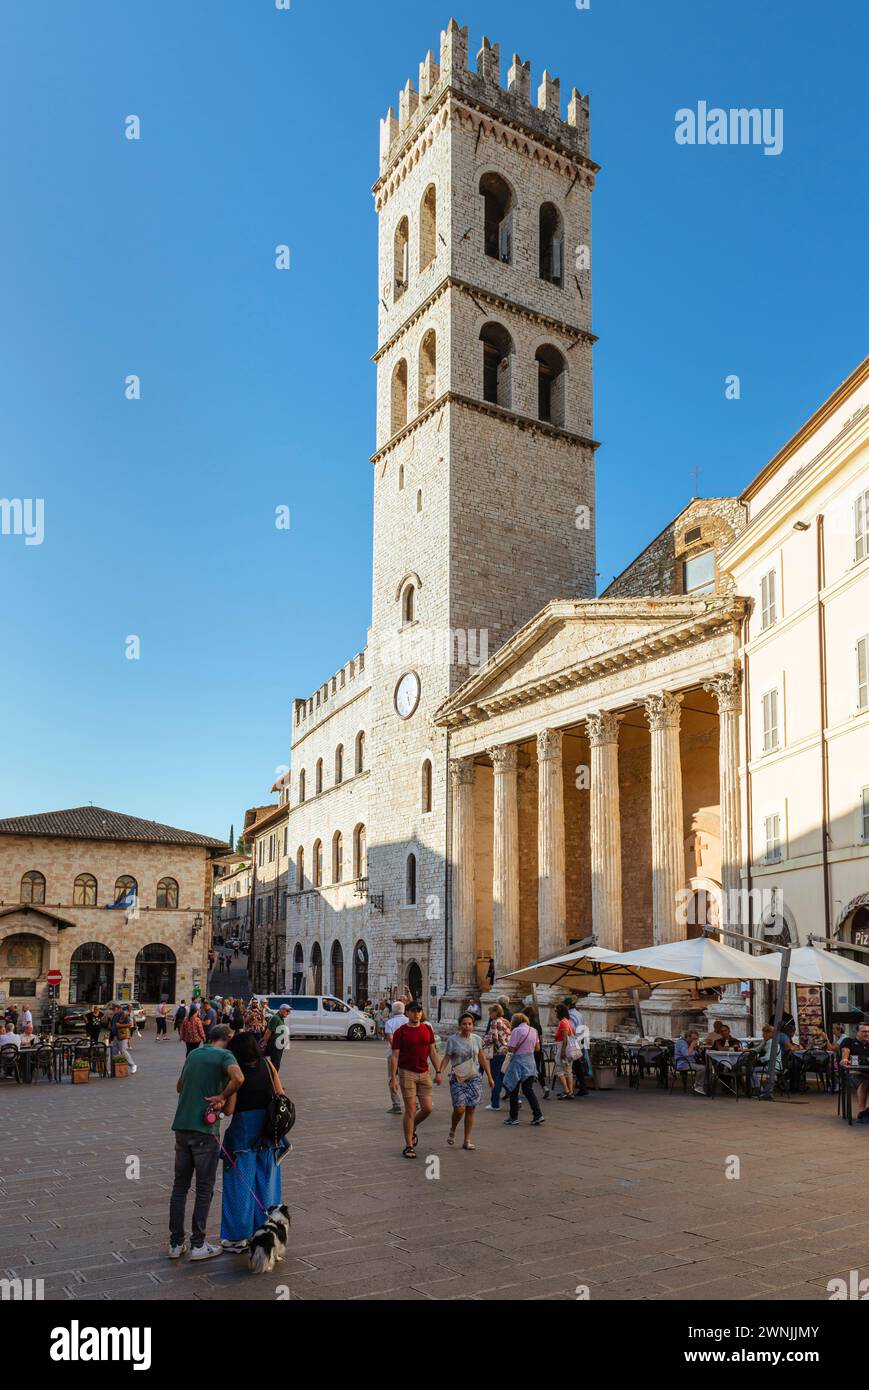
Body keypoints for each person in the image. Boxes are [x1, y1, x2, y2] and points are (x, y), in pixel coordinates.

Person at [169, 1023, 244, 1261]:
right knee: (204, 1187)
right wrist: (221, 1095)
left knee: (180, 1186)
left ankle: (175, 1243)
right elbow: (239, 1078)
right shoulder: (225, 1055)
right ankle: (198, 1244)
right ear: (228, 1038)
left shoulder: (194, 1054)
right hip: (205, 1130)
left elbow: (180, 1086)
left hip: (181, 1126)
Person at [219, 1031, 289, 1251]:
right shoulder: (269, 1066)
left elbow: (229, 1109)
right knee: (267, 1182)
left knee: (240, 1185)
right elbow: (282, 1096)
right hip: (269, 1132)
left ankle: (238, 1236)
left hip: (244, 1132)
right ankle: (265, 1229)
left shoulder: (237, 1073)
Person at [389, 1000, 441, 1158]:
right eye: (413, 1011)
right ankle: (409, 1146)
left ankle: (412, 1127)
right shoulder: (401, 1032)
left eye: (419, 1011)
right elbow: (395, 1055)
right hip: (407, 1073)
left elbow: (432, 1051)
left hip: (424, 1073)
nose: (417, 1013)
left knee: (427, 1108)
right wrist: (393, 1078)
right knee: (410, 1109)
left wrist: (438, 1071)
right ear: (407, 1013)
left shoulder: (427, 1029)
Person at [438, 1012, 493, 1150]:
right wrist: (439, 1073)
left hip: (474, 1077)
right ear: (459, 1025)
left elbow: (482, 1058)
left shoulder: (476, 1039)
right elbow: (447, 1058)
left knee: (471, 1109)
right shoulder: (453, 1040)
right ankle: (453, 1129)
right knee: (459, 1108)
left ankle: (467, 1140)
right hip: (457, 1078)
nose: (467, 1026)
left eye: (469, 1024)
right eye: (464, 1024)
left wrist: (490, 1077)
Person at [502, 1013, 544, 1126]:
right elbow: (537, 1048)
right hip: (530, 1062)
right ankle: (538, 1114)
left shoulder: (516, 1031)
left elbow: (511, 1048)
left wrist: (505, 1049)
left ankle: (513, 1117)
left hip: (518, 1063)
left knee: (513, 1090)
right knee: (528, 1090)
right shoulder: (533, 1030)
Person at [482, 1004, 511, 1110]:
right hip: (505, 1052)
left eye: (490, 1012)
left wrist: (484, 1040)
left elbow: (494, 1038)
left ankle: (495, 1104)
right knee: (503, 1077)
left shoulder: (494, 1022)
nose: (489, 1015)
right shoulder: (505, 1021)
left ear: (495, 1012)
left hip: (497, 1053)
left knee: (496, 1078)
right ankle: (515, 1097)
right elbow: (508, 1035)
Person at [839, 1022, 869, 1119]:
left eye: (868, 1032)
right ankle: (861, 1111)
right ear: (857, 1032)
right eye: (864, 1031)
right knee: (865, 1082)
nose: (867, 1034)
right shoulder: (849, 1041)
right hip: (853, 1073)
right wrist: (845, 1059)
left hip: (867, 1072)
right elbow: (845, 1051)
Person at [384, 1001, 408, 1113]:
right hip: (408, 1053)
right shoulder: (409, 1021)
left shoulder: (390, 1022)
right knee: (409, 1078)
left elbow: (390, 1038)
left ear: (393, 1011)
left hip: (393, 1054)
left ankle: (396, 1104)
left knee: (392, 1077)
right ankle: (415, 1102)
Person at [524, 1001, 549, 1099]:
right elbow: (541, 1038)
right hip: (538, 1050)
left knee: (526, 1070)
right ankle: (544, 1087)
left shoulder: (527, 1026)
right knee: (536, 1069)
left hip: (528, 1051)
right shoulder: (537, 1025)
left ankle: (526, 1089)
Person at [565, 997, 590, 1096]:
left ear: (568, 1006)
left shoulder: (570, 1015)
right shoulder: (578, 1013)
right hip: (581, 1040)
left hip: (574, 1041)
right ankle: (582, 1087)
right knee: (578, 1064)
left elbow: (571, 1030)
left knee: (575, 1065)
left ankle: (580, 1088)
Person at [752, 1024, 785, 1092]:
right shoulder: (766, 1041)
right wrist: (746, 1050)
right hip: (770, 1065)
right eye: (763, 1033)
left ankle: (758, 1089)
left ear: (771, 1034)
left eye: (766, 1033)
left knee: (751, 1070)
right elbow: (757, 1049)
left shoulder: (771, 1042)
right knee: (751, 1069)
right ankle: (758, 1088)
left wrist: (758, 1059)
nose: (763, 1035)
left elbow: (767, 1057)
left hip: (774, 1066)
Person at [553, 1005, 576, 1098]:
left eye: (556, 1012)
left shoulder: (563, 1022)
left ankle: (566, 1090)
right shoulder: (568, 1022)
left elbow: (565, 1038)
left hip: (563, 1047)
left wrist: (562, 1051)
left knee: (560, 1070)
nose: (555, 1014)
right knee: (568, 1071)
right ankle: (570, 1091)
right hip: (568, 1048)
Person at [674, 1029, 706, 1094]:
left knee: (708, 1067)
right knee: (702, 1068)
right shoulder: (681, 1042)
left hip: (691, 1062)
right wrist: (692, 1045)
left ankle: (703, 1085)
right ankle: (698, 1086)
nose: (695, 1040)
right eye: (693, 1038)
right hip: (683, 1063)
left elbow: (695, 1054)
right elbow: (686, 1053)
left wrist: (698, 1050)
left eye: (696, 1039)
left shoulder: (690, 1043)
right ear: (688, 1037)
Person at [110, 1003, 138, 1074]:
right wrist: (111, 1037)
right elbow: (112, 1026)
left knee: (123, 1051)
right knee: (113, 1052)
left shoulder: (124, 1014)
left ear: (118, 1008)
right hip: (115, 1036)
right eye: (112, 1009)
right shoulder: (115, 1015)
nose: (113, 1010)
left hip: (122, 1036)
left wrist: (120, 1025)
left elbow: (129, 1024)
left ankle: (133, 1065)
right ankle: (113, 1069)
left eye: (114, 1009)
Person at [263, 1005, 291, 1073]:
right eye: (287, 1011)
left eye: (289, 1011)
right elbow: (268, 1031)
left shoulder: (280, 1018)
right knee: (275, 1064)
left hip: (279, 1044)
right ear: (281, 1009)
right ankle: (272, 1080)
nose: (288, 1013)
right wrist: (264, 1042)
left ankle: (272, 1078)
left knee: (276, 1064)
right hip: (275, 1044)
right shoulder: (276, 1018)